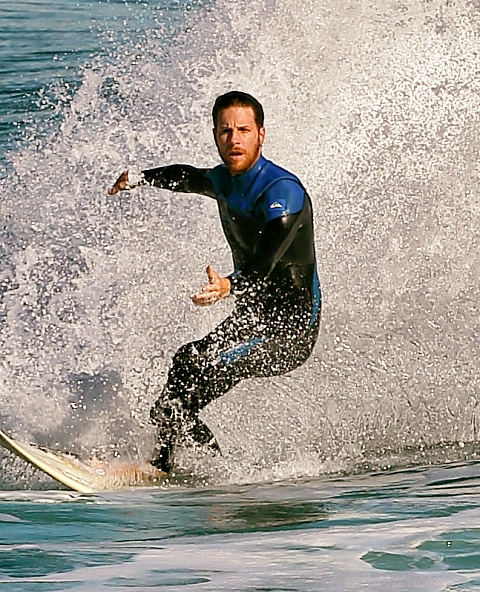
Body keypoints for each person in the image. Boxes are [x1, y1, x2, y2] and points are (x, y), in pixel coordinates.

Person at [108, 91, 322, 473]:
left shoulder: (282, 192)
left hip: (290, 329)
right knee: (183, 367)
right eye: (225, 131)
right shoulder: (224, 180)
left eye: (243, 130)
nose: (234, 139)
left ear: (261, 134)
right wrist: (141, 178)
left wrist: (230, 285)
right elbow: (188, 177)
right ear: (215, 136)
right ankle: (168, 466)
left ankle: (209, 474)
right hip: (254, 318)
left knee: (192, 387)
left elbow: (265, 258)